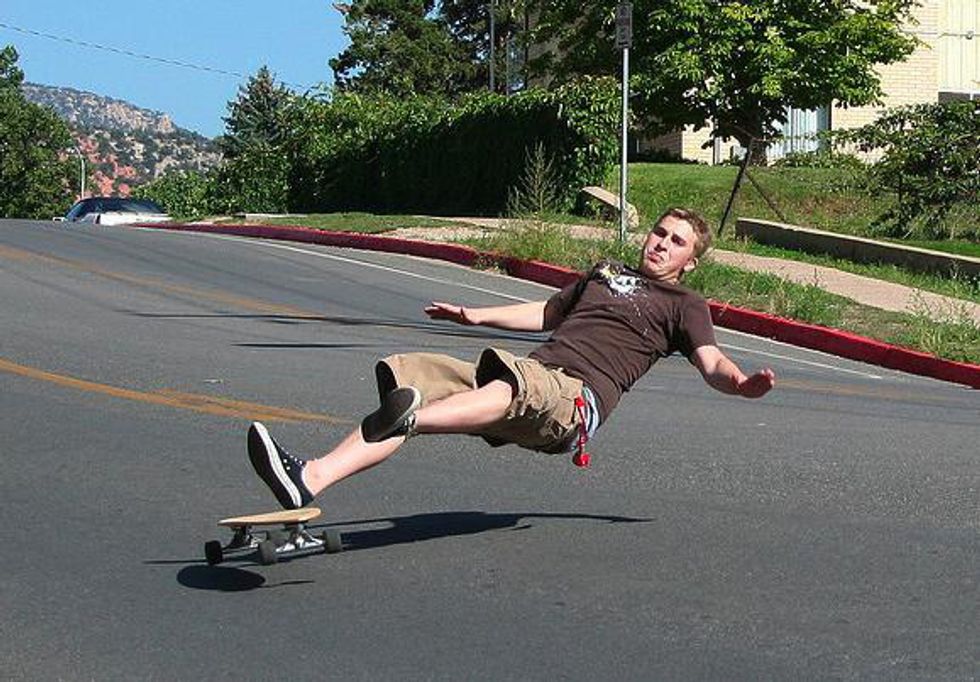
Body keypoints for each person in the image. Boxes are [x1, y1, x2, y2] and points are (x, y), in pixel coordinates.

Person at [247, 207, 776, 510]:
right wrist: (474, 315)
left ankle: (410, 420)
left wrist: (741, 384)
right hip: (533, 376)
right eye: (659, 232)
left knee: (510, 385)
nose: (661, 244)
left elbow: (712, 363)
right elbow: (546, 313)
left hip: (574, 401)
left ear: (690, 261)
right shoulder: (605, 272)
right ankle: (309, 478)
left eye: (676, 242)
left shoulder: (684, 304)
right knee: (412, 380)